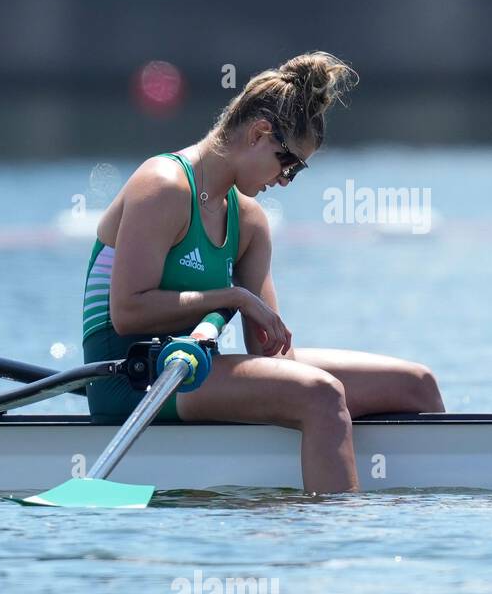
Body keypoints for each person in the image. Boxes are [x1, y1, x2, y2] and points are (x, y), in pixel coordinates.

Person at [81, 52, 442, 492]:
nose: (287, 180)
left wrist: (265, 337)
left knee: (417, 386)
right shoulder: (163, 186)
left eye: (298, 170)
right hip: (132, 377)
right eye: (287, 162)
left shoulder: (249, 221)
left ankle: (420, 522)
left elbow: (269, 350)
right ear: (258, 134)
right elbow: (128, 313)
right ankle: (340, 538)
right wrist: (232, 298)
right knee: (321, 395)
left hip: (190, 368)